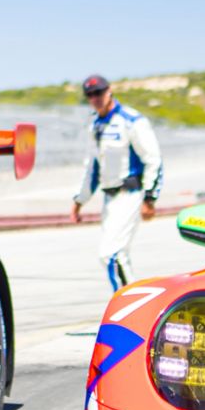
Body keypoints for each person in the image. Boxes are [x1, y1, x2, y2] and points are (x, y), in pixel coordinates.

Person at [72, 75, 162, 291]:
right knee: (118, 255)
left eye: (99, 92)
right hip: (109, 199)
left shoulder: (131, 120)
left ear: (109, 90)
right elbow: (92, 168)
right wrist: (79, 201)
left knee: (111, 254)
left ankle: (126, 303)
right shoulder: (95, 125)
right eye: (90, 95)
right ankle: (133, 303)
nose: (95, 98)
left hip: (130, 194)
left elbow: (154, 159)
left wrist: (150, 198)